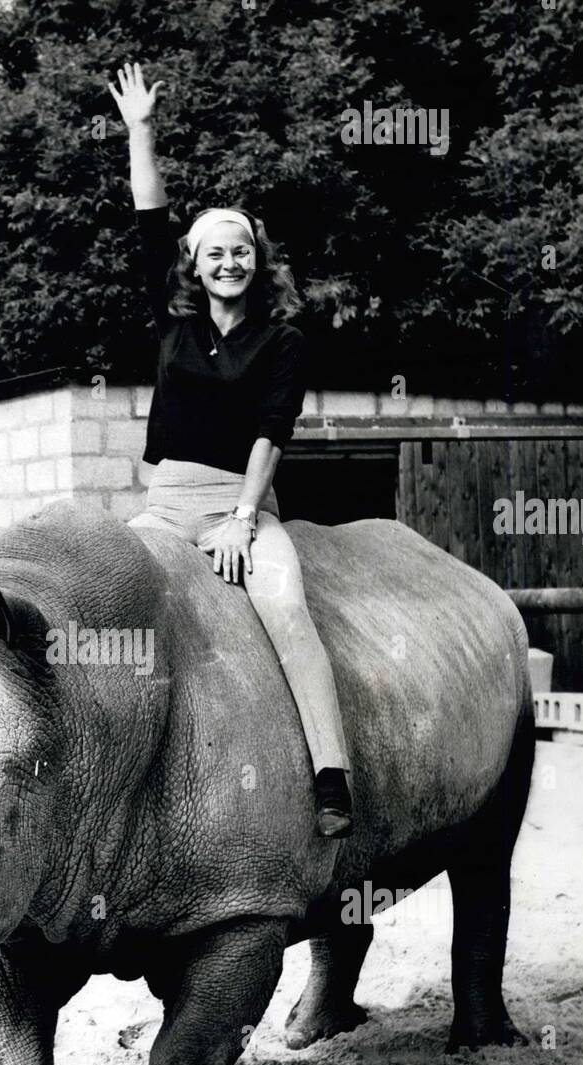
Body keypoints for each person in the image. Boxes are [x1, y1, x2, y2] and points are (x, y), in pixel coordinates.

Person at [108, 62, 353, 838]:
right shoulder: (173, 321)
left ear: (257, 259)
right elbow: (149, 211)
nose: (228, 262)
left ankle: (330, 776)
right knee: (117, 602)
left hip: (242, 501)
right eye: (214, 252)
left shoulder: (283, 338)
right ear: (194, 261)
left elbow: (271, 431)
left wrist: (245, 521)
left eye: (240, 251)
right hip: (166, 503)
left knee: (285, 608)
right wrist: (141, 131)